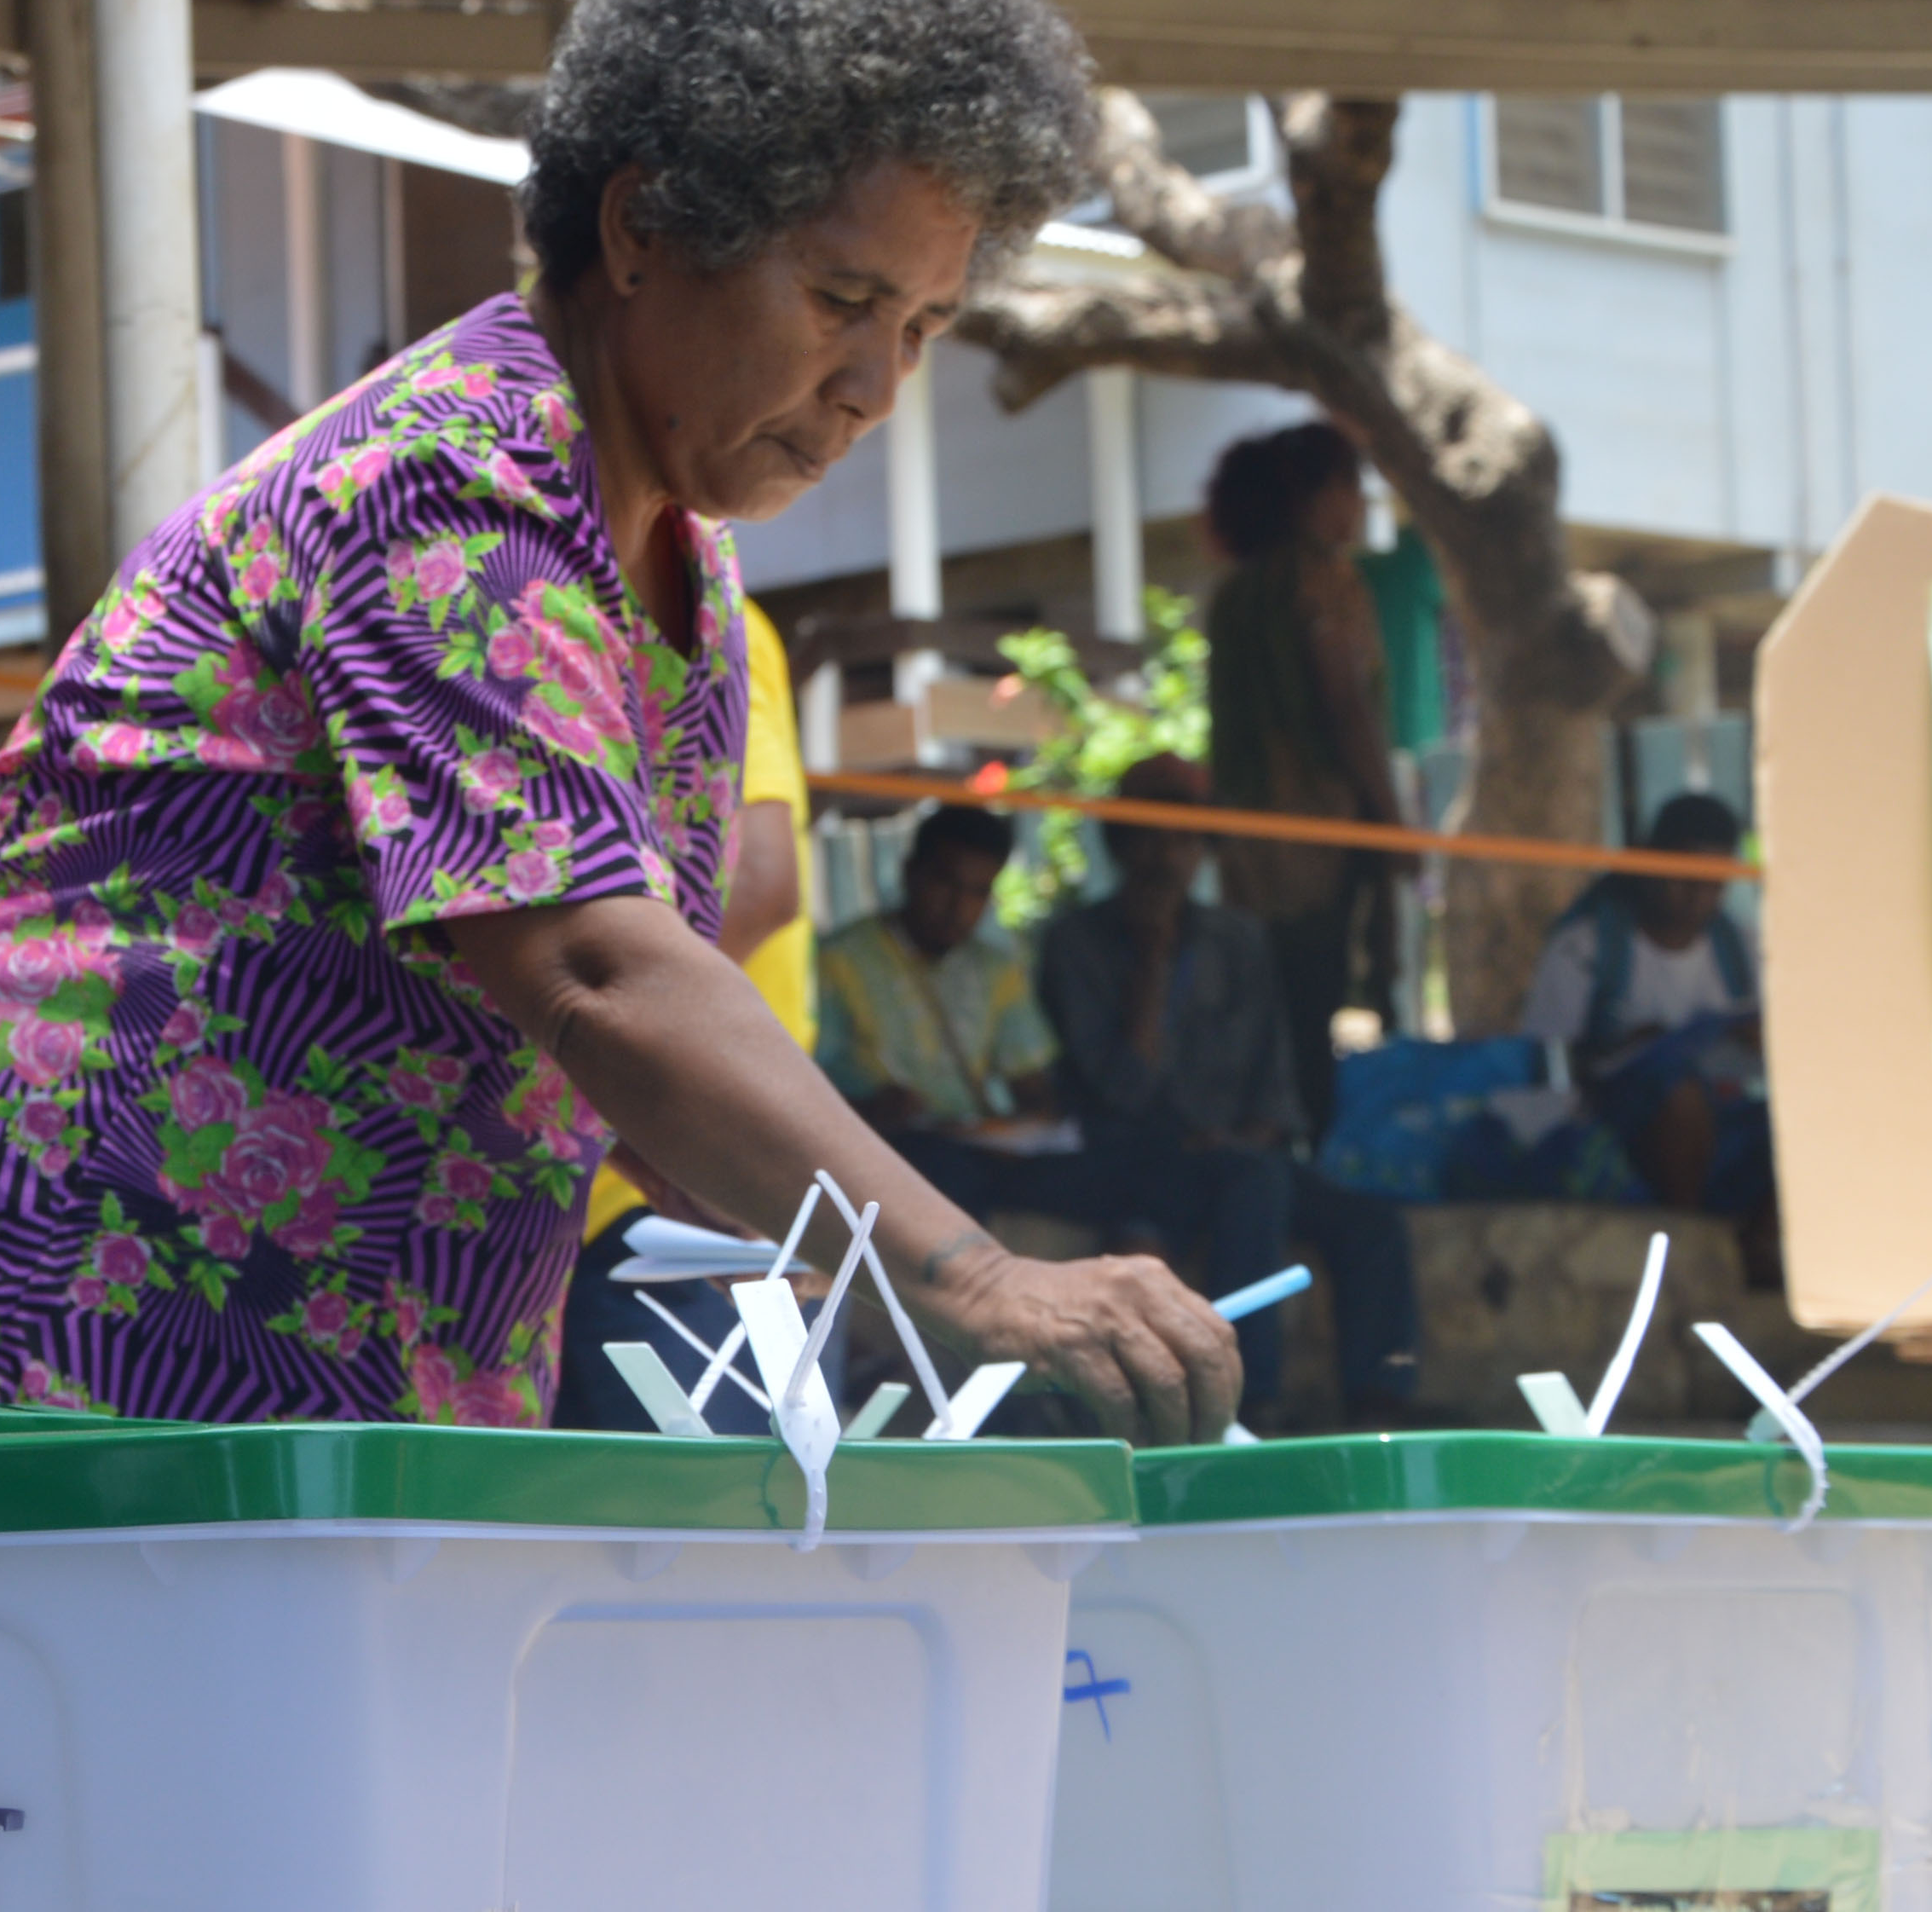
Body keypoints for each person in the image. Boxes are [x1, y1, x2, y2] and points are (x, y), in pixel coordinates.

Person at [0, 0, 1247, 1446]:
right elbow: (591, 970)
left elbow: (601, 1063)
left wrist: (841, 1257)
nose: (876, 386)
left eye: (923, 327)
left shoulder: (677, 574)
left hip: (231, 1392)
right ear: (644, 226)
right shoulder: (450, 473)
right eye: (837, 298)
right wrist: (972, 1277)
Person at [1039, 755, 1423, 1420]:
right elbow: (1118, 1089)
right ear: (1120, 844)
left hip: (1235, 1152)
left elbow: (1273, 1081)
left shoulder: (1239, 939)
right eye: (1150, 838)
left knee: (1368, 1222)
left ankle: (1381, 1397)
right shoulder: (1076, 943)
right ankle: (1249, 1399)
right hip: (1131, 1159)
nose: (1166, 857)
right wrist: (1151, 965)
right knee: (1252, 1184)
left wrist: (1245, 1137)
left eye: (1184, 839)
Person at [554, 610, 810, 1435]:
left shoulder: (698, 612)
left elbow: (761, 880)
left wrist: (592, 1028)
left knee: (730, 1500)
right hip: (623, 1183)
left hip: (677, 1184)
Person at [1199, 422, 1405, 1140]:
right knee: (1318, 999)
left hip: (1248, 845)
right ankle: (1317, 1144)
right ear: (1316, 496)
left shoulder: (1235, 593)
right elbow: (1346, 706)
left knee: (1267, 1008)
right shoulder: (1323, 581)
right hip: (1316, 835)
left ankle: (1277, 1138)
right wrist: (1390, 818)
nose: (1359, 504)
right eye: (1350, 486)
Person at [1517, 790, 1767, 1219]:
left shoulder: (1741, 949)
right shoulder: (1585, 949)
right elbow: (1542, 1065)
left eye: (1713, 884)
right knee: (1679, 1097)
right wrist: (1622, 1051)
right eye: (1684, 878)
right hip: (1613, 1134)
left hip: (1726, 1120)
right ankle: (1686, 1232)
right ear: (1650, 866)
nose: (1697, 896)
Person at [811, 805, 1064, 1163]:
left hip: (971, 1154)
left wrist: (1027, 1125)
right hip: (869, 1153)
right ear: (910, 873)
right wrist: (871, 1108)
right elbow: (798, 1082)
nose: (958, 907)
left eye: (978, 892)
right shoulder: (838, 961)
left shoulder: (996, 971)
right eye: (946, 883)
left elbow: (1034, 1089)